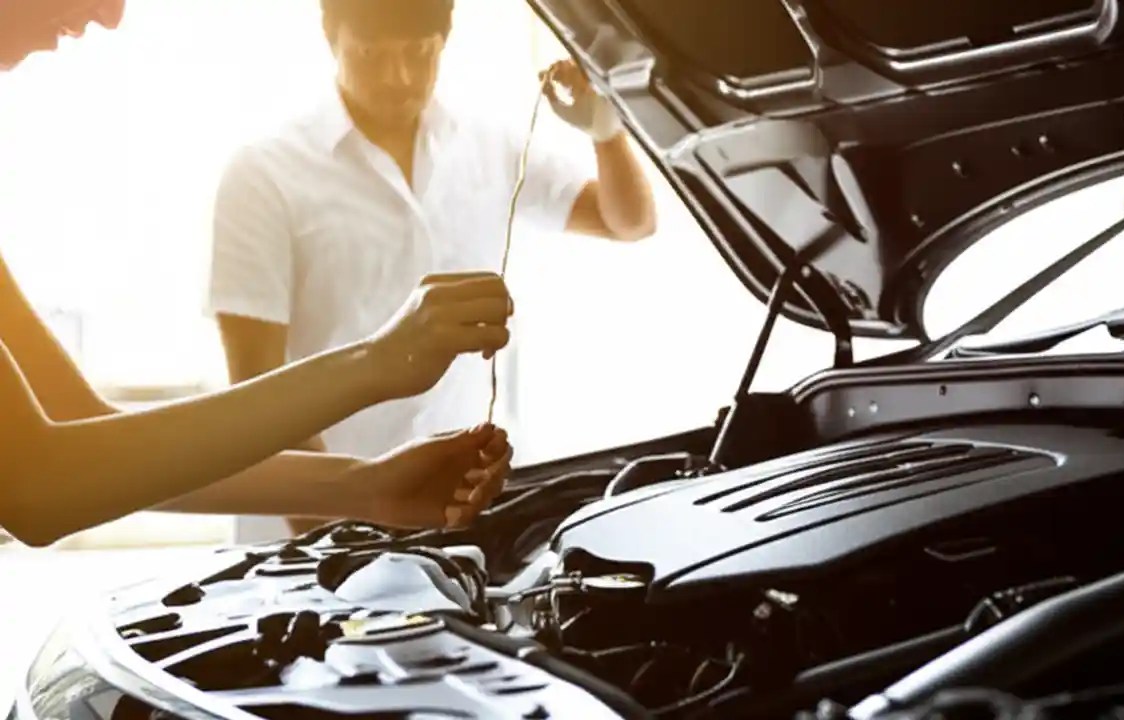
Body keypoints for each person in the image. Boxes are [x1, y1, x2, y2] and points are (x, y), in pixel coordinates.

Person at [0, 0, 515, 547]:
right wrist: (375, 363)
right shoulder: (266, 169)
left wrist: (365, 485)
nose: (111, 16)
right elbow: (35, 488)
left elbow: (79, 432)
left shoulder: (480, 144)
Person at [206, 0, 656, 534]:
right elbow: (256, 393)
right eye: (371, 55)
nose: (398, 78)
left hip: (457, 515)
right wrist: (334, 537)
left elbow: (627, 220)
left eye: (420, 55)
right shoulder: (263, 174)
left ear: (444, 43)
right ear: (332, 39)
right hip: (310, 529)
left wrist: (605, 130)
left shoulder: (488, 148)